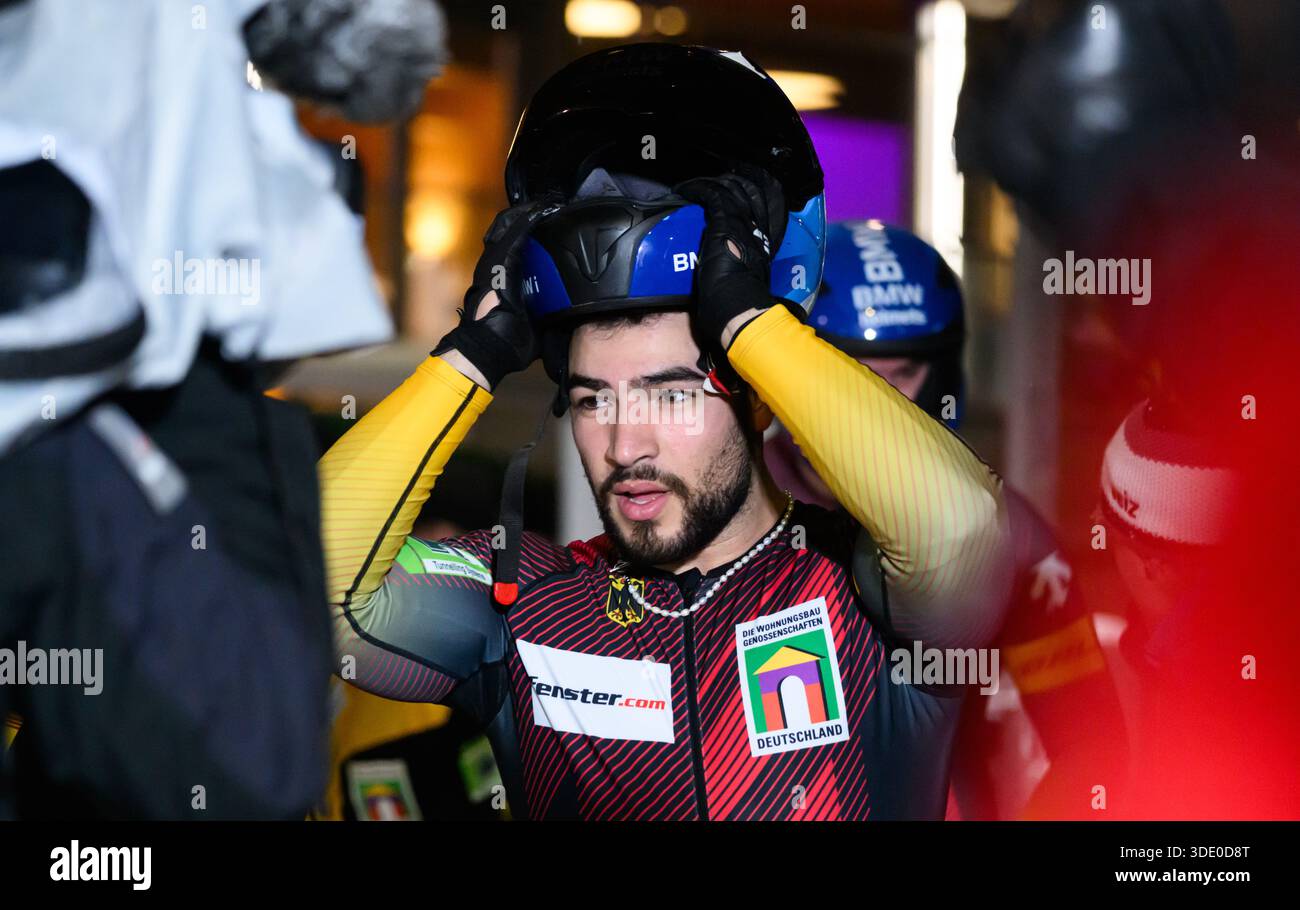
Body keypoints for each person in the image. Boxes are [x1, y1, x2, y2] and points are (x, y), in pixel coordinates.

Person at [319, 44, 1013, 821]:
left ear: (756, 392)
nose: (624, 447)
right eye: (590, 400)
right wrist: (470, 357)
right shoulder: (526, 603)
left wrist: (753, 325)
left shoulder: (862, 592)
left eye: (671, 394)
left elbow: (963, 531)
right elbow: (314, 585)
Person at [766, 220, 1127, 819]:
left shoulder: (1006, 536)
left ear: (942, 376)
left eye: (900, 372)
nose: (875, 403)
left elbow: (1092, 748)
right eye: (846, 370)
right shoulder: (723, 507)